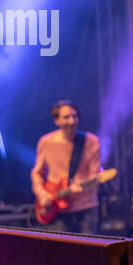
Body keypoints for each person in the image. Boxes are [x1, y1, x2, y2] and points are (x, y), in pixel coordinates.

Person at [31, 100, 102, 234]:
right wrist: (42, 194)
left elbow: (95, 176)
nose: (72, 121)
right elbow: (37, 173)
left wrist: (83, 186)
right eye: (66, 117)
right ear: (56, 121)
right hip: (56, 207)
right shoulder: (46, 142)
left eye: (75, 116)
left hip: (85, 207)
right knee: (61, 252)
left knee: (88, 252)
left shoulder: (91, 142)